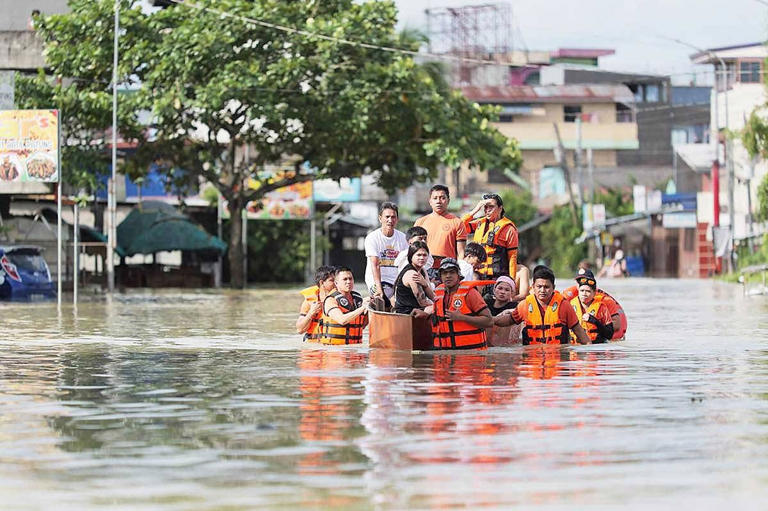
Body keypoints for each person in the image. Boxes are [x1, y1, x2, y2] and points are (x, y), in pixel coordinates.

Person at [497, 265, 590, 345]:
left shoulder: (564, 306)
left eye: (546, 287)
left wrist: (590, 355)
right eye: (539, 287)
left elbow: (579, 332)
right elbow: (510, 320)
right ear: (533, 287)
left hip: (558, 360)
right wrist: (492, 320)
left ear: (553, 287)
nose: (542, 290)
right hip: (532, 359)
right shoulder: (524, 305)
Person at [413, 258, 492, 350]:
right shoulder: (439, 293)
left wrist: (462, 317)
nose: (448, 276)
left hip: (471, 355)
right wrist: (425, 315)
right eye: (444, 273)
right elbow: (439, 319)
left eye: (452, 272)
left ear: (458, 275)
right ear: (440, 276)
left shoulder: (471, 293)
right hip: (445, 354)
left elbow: (489, 321)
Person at [461, 193, 519, 280]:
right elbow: (459, 226)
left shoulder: (509, 229)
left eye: (491, 207)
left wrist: (511, 281)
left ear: (500, 209)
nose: (487, 210)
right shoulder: (479, 223)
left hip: (496, 277)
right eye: (485, 207)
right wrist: (475, 210)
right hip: (477, 276)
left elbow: (512, 258)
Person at [562, 264, 626, 340]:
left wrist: (595, 322)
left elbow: (616, 326)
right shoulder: (570, 302)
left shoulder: (604, 302)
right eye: (578, 281)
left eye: (584, 280)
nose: (581, 284)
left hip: (595, 343)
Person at [364, 202, 408, 305]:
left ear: (397, 219)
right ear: (380, 218)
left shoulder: (403, 238)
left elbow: (406, 263)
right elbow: (375, 265)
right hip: (378, 280)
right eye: (387, 217)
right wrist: (379, 289)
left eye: (393, 217)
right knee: (390, 300)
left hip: (397, 281)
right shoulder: (372, 238)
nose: (390, 220)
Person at [414, 184, 468, 265]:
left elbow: (461, 252)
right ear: (430, 201)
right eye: (435, 198)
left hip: (447, 269)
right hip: (425, 267)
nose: (438, 201)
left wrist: (459, 270)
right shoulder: (420, 222)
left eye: (442, 198)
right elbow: (414, 249)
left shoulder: (457, 222)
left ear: (448, 201)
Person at [321, 267, 370, 345]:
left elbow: (363, 325)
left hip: (355, 348)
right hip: (335, 350)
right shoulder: (331, 300)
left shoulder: (357, 299)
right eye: (345, 279)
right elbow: (342, 320)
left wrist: (370, 308)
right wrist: (363, 308)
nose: (348, 282)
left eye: (350, 279)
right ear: (336, 283)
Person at [568, 269, 614, 343]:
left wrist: (594, 321)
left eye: (588, 291)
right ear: (578, 291)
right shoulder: (570, 305)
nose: (584, 294)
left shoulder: (602, 307)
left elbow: (609, 334)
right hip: (575, 347)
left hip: (595, 347)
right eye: (582, 291)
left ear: (594, 293)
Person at [392, 241, 436, 314]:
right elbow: (422, 302)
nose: (422, 258)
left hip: (417, 309)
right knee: (437, 309)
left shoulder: (422, 270)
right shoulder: (412, 274)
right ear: (411, 256)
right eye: (418, 255)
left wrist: (425, 285)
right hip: (406, 313)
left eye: (425, 255)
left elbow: (432, 297)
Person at [296, 265, 336, 342]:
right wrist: (311, 313)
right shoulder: (309, 302)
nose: (336, 283)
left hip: (333, 346)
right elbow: (300, 330)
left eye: (336, 280)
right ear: (322, 283)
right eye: (332, 280)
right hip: (313, 346)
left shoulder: (340, 299)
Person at [485, 275, 522, 346]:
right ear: (494, 289)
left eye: (507, 290)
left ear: (512, 293)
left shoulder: (513, 306)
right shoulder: (486, 303)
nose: (502, 292)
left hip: (504, 343)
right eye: (500, 288)